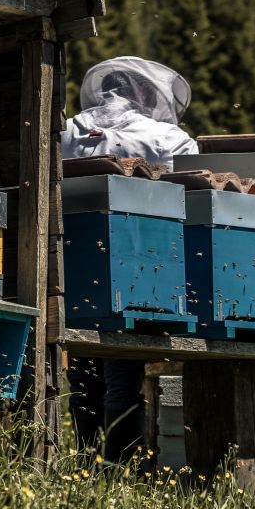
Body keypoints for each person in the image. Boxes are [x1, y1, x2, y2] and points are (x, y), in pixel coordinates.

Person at [62, 57, 198, 462]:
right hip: (140, 266)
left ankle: (85, 465)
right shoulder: (167, 137)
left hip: (72, 264)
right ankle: (123, 470)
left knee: (83, 377)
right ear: (147, 94)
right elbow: (193, 197)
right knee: (122, 376)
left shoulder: (68, 130)